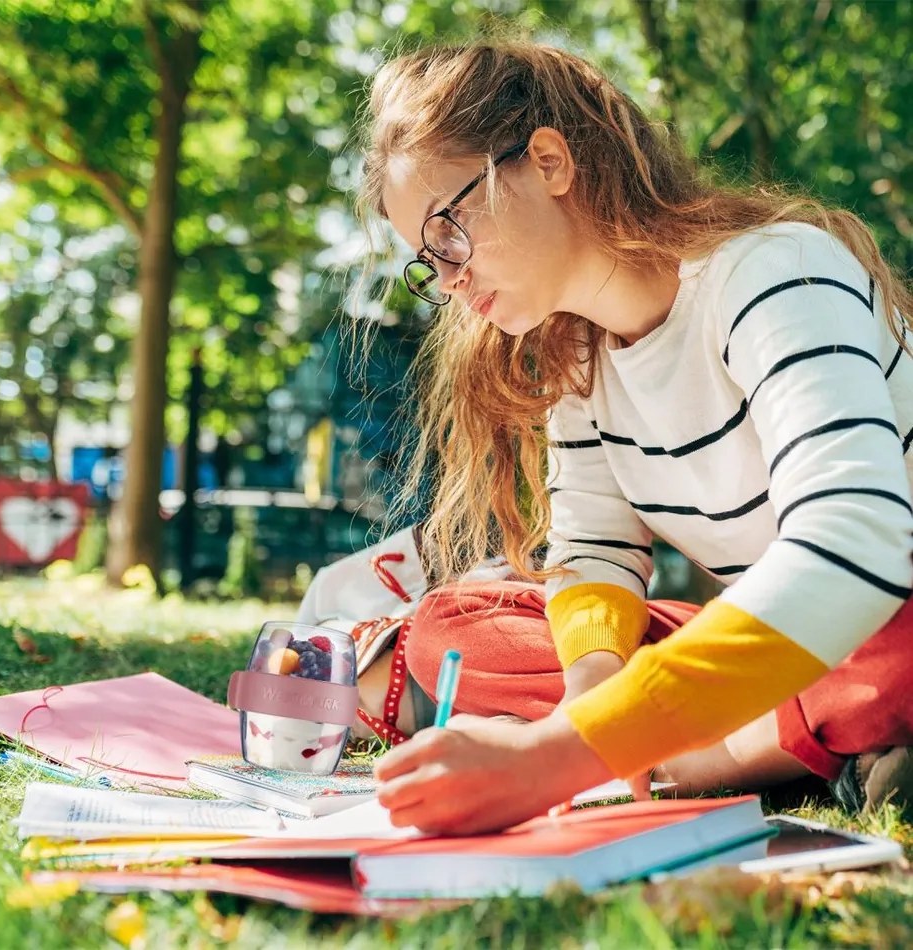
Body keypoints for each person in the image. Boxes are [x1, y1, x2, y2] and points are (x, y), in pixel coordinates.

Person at [354, 41, 913, 835]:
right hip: (810, 645)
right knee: (458, 624)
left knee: (894, 648)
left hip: (882, 603)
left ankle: (740, 747)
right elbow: (594, 559)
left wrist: (561, 754)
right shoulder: (577, 359)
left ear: (548, 161)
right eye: (425, 260)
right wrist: (591, 691)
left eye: (447, 230)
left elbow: (855, 546)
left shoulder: (774, 272)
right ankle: (809, 742)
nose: (445, 279)